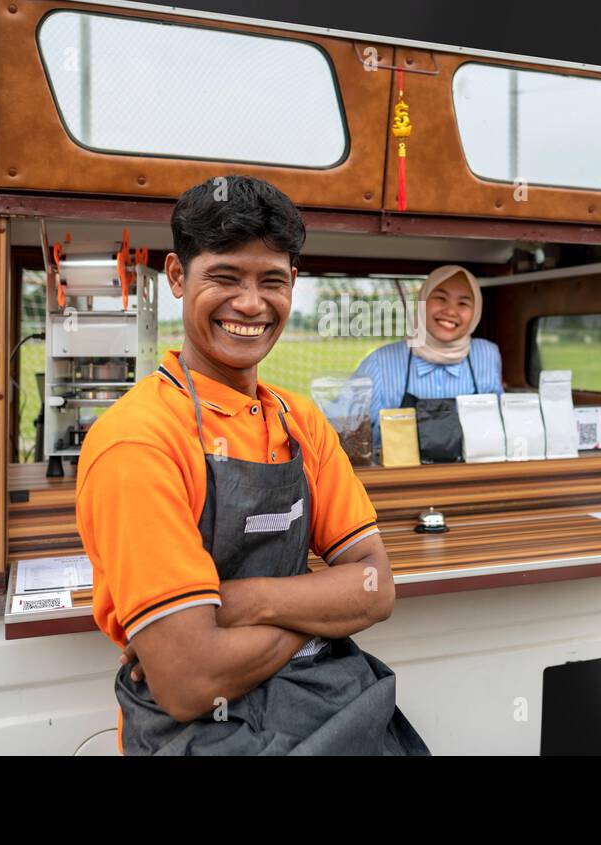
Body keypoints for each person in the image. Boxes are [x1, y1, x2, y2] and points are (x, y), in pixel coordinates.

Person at [75, 175, 429, 755]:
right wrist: (318, 609)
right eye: (224, 276)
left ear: (293, 283)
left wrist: (237, 602)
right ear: (175, 276)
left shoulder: (299, 421)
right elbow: (191, 682)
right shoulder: (137, 442)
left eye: (271, 280)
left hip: (326, 706)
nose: (250, 303)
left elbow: (374, 585)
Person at [355, 264, 503, 452]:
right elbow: (347, 432)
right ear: (423, 301)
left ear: (476, 312)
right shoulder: (379, 362)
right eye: (440, 298)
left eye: (463, 303)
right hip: (401, 479)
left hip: (472, 477)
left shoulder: (487, 356)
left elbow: (498, 427)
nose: (451, 311)